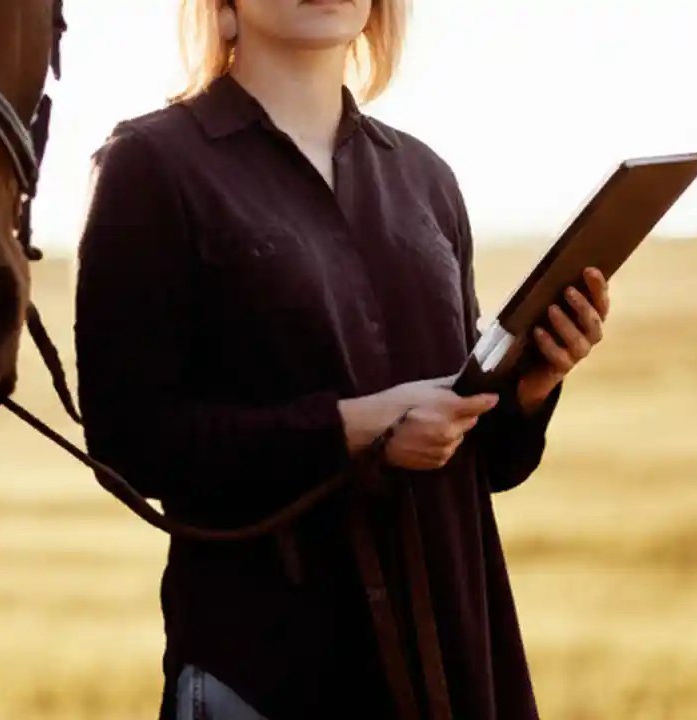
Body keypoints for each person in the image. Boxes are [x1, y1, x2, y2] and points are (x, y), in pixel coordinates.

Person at [72, 1, 611, 718]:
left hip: (448, 663)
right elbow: (132, 442)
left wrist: (534, 385)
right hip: (265, 670)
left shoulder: (425, 179)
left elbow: (490, 465)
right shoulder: (151, 165)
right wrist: (354, 427)